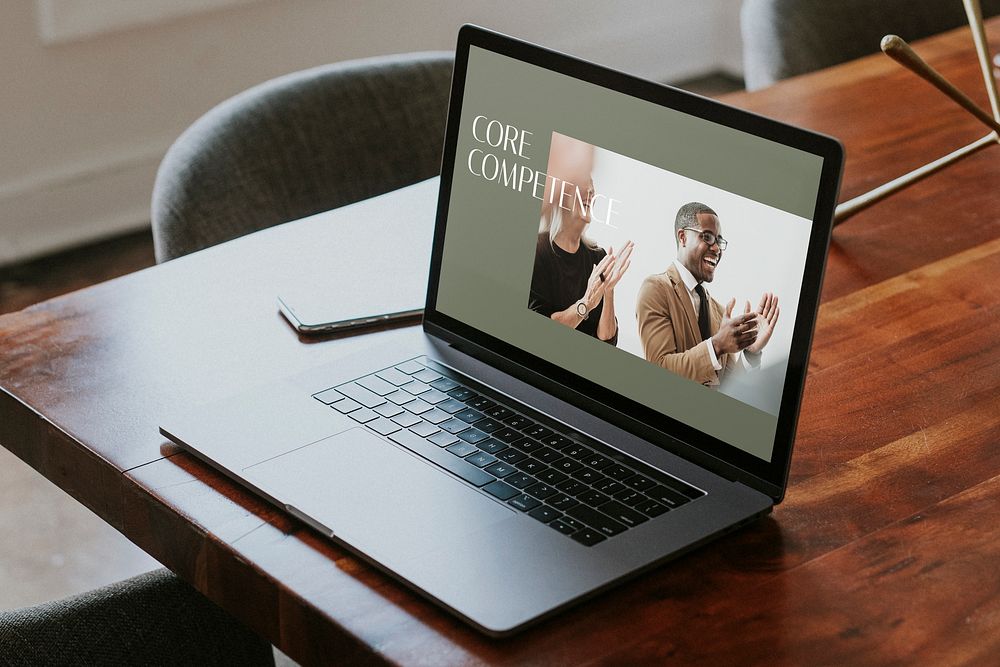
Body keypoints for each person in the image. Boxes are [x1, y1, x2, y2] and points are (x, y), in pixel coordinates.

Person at [636, 202, 779, 386]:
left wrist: (751, 353)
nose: (717, 248)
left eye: (719, 241)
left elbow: (729, 389)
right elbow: (659, 370)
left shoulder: (719, 311)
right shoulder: (656, 289)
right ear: (683, 237)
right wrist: (717, 345)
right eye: (708, 237)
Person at [528, 135, 633, 344]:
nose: (591, 192)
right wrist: (586, 302)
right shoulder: (537, 249)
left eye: (592, 188)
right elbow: (537, 331)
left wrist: (608, 291)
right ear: (560, 194)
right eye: (583, 185)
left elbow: (607, 341)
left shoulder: (598, 256)